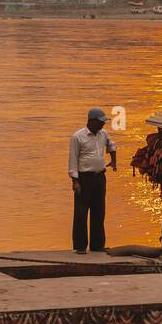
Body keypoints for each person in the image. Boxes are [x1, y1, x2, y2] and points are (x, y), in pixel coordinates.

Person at [68, 106, 117, 255]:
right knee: (81, 212)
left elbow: (111, 145)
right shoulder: (77, 137)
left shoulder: (103, 134)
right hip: (84, 178)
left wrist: (114, 159)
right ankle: (80, 246)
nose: (103, 124)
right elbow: (73, 160)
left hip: (99, 177)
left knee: (99, 211)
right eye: (101, 122)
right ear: (92, 121)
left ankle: (97, 245)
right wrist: (75, 181)